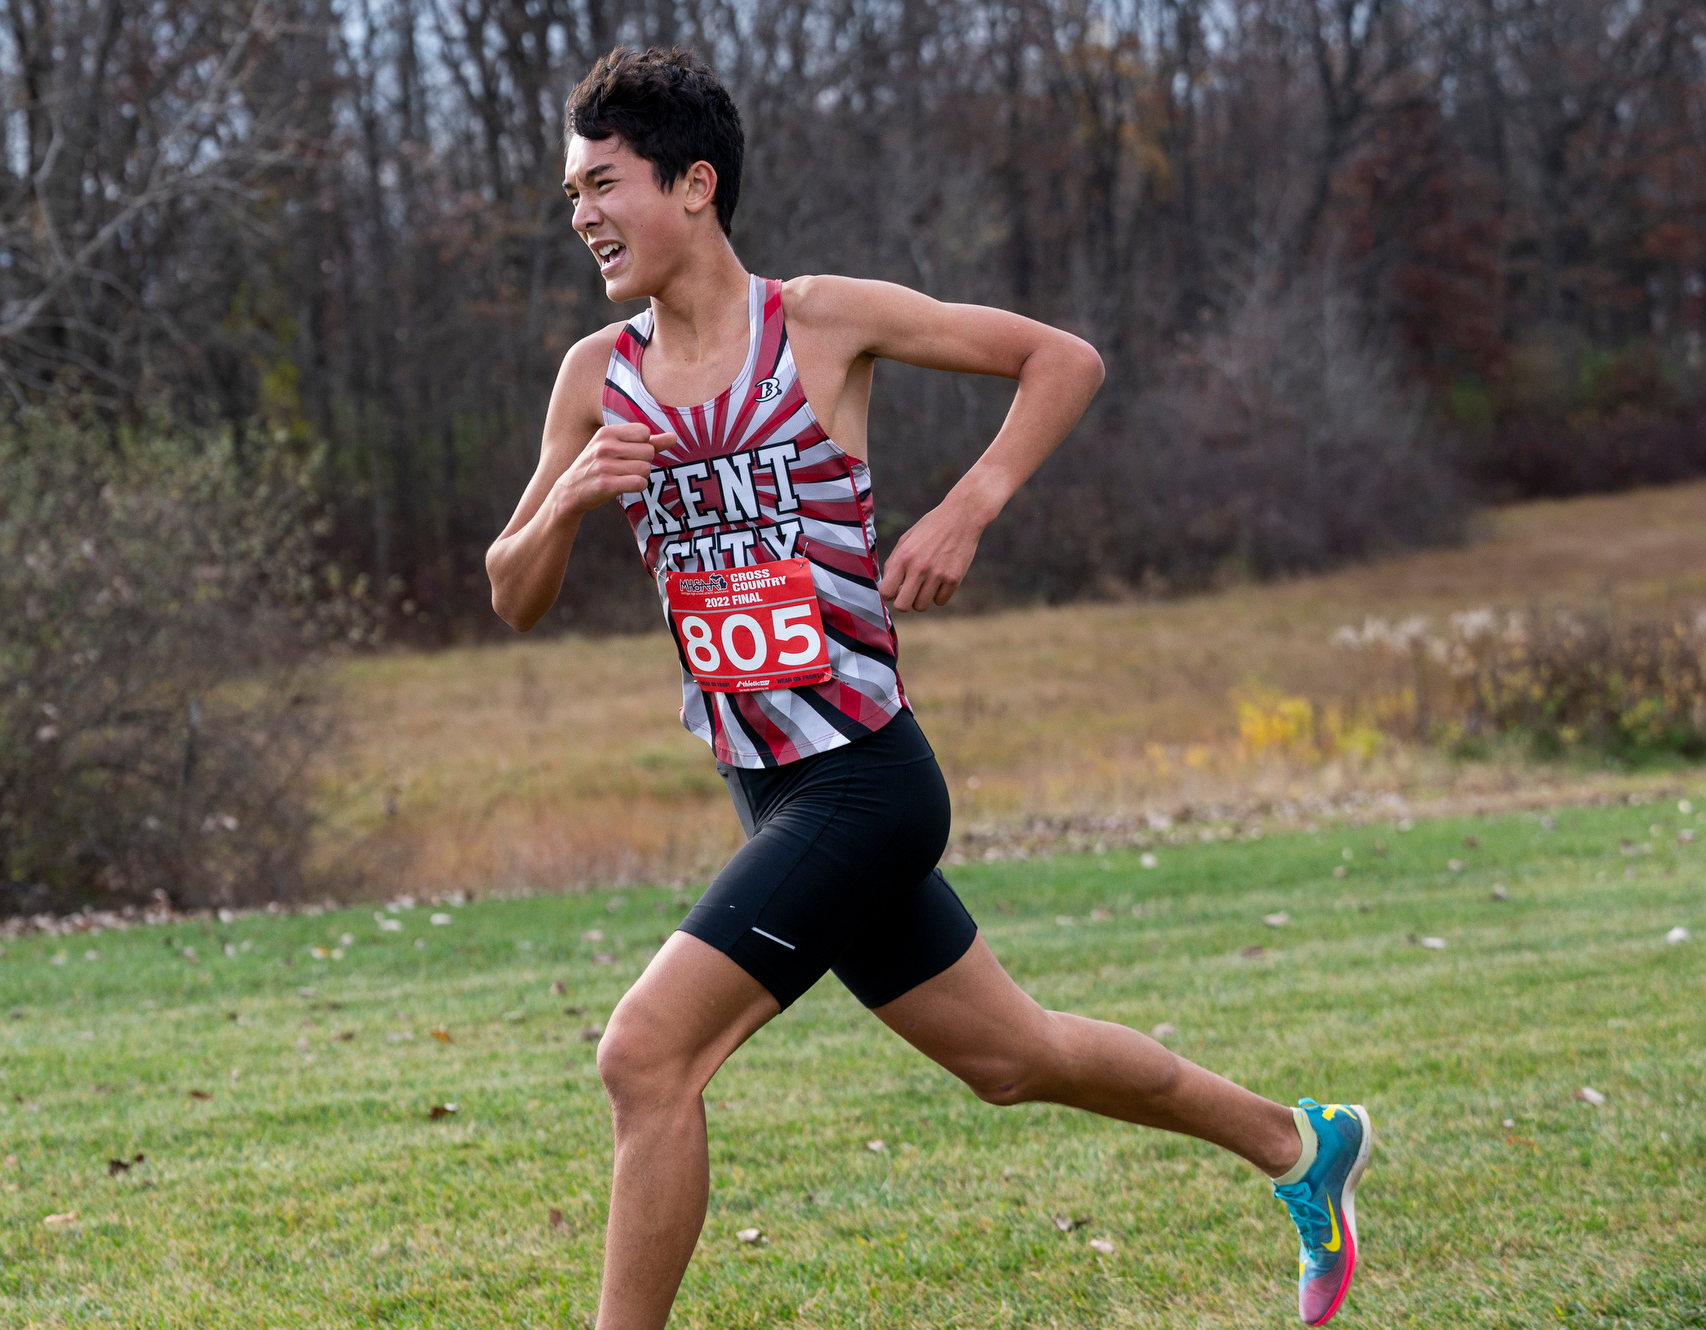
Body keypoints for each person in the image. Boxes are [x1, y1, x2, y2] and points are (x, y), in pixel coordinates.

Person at [485, 46, 1371, 1330]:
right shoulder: (592, 377)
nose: (580, 216)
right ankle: (1301, 1146)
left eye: (603, 185)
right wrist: (567, 496)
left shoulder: (824, 322)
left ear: (693, 185)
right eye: (569, 193)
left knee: (643, 1054)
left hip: (864, 779)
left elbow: (1060, 359)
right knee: (1013, 1059)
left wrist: (966, 505)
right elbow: (512, 591)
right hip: (764, 786)